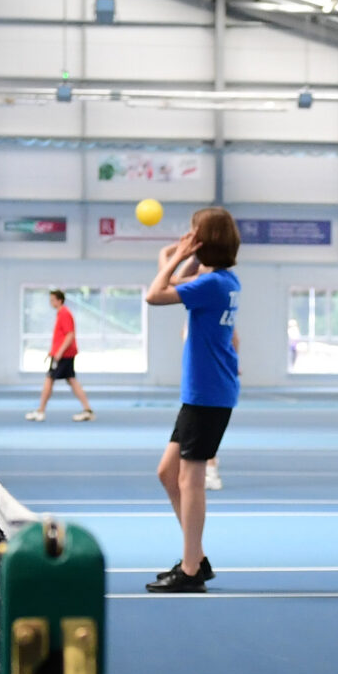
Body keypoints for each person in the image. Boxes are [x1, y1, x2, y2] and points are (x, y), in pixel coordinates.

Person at [143, 207, 240, 592]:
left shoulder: (212, 284)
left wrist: (180, 255)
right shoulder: (221, 279)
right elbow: (171, 277)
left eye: (193, 232)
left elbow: (155, 294)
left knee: (191, 480)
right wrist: (176, 255)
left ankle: (190, 570)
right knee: (168, 473)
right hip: (202, 393)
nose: (188, 237)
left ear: (205, 241)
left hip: (208, 394)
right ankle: (195, 556)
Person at [26, 288, 95, 422]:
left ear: (59, 300)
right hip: (62, 354)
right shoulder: (60, 314)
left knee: (49, 379)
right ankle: (87, 410)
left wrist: (59, 352)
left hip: (64, 355)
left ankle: (40, 411)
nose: (50, 302)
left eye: (53, 300)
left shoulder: (64, 313)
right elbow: (61, 336)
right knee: (71, 380)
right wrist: (53, 351)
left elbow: (70, 335)